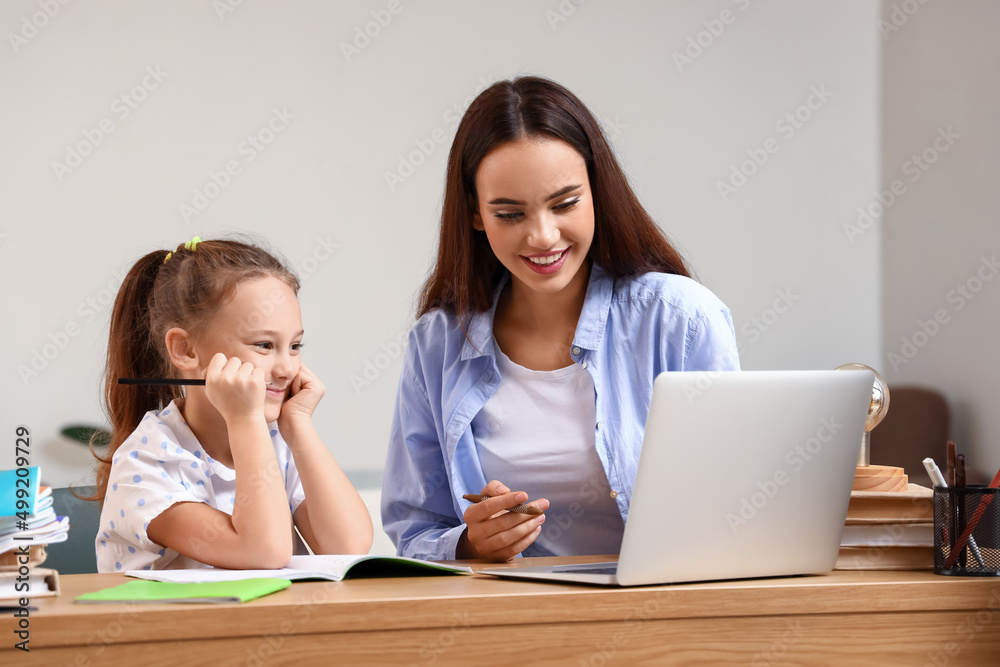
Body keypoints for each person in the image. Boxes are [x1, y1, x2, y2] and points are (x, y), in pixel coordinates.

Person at [381, 76, 741, 563]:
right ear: (475, 214)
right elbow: (415, 529)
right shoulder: (438, 343)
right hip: (514, 621)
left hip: (664, 613)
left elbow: (736, 507)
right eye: (510, 214)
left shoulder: (681, 319)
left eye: (565, 203)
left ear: (597, 192)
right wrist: (470, 543)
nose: (543, 237)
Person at [92, 237, 372, 572]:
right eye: (264, 345)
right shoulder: (147, 461)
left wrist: (299, 427)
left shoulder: (279, 443)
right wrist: (244, 420)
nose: (286, 369)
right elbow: (264, 553)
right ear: (185, 350)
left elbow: (348, 547)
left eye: (295, 345)